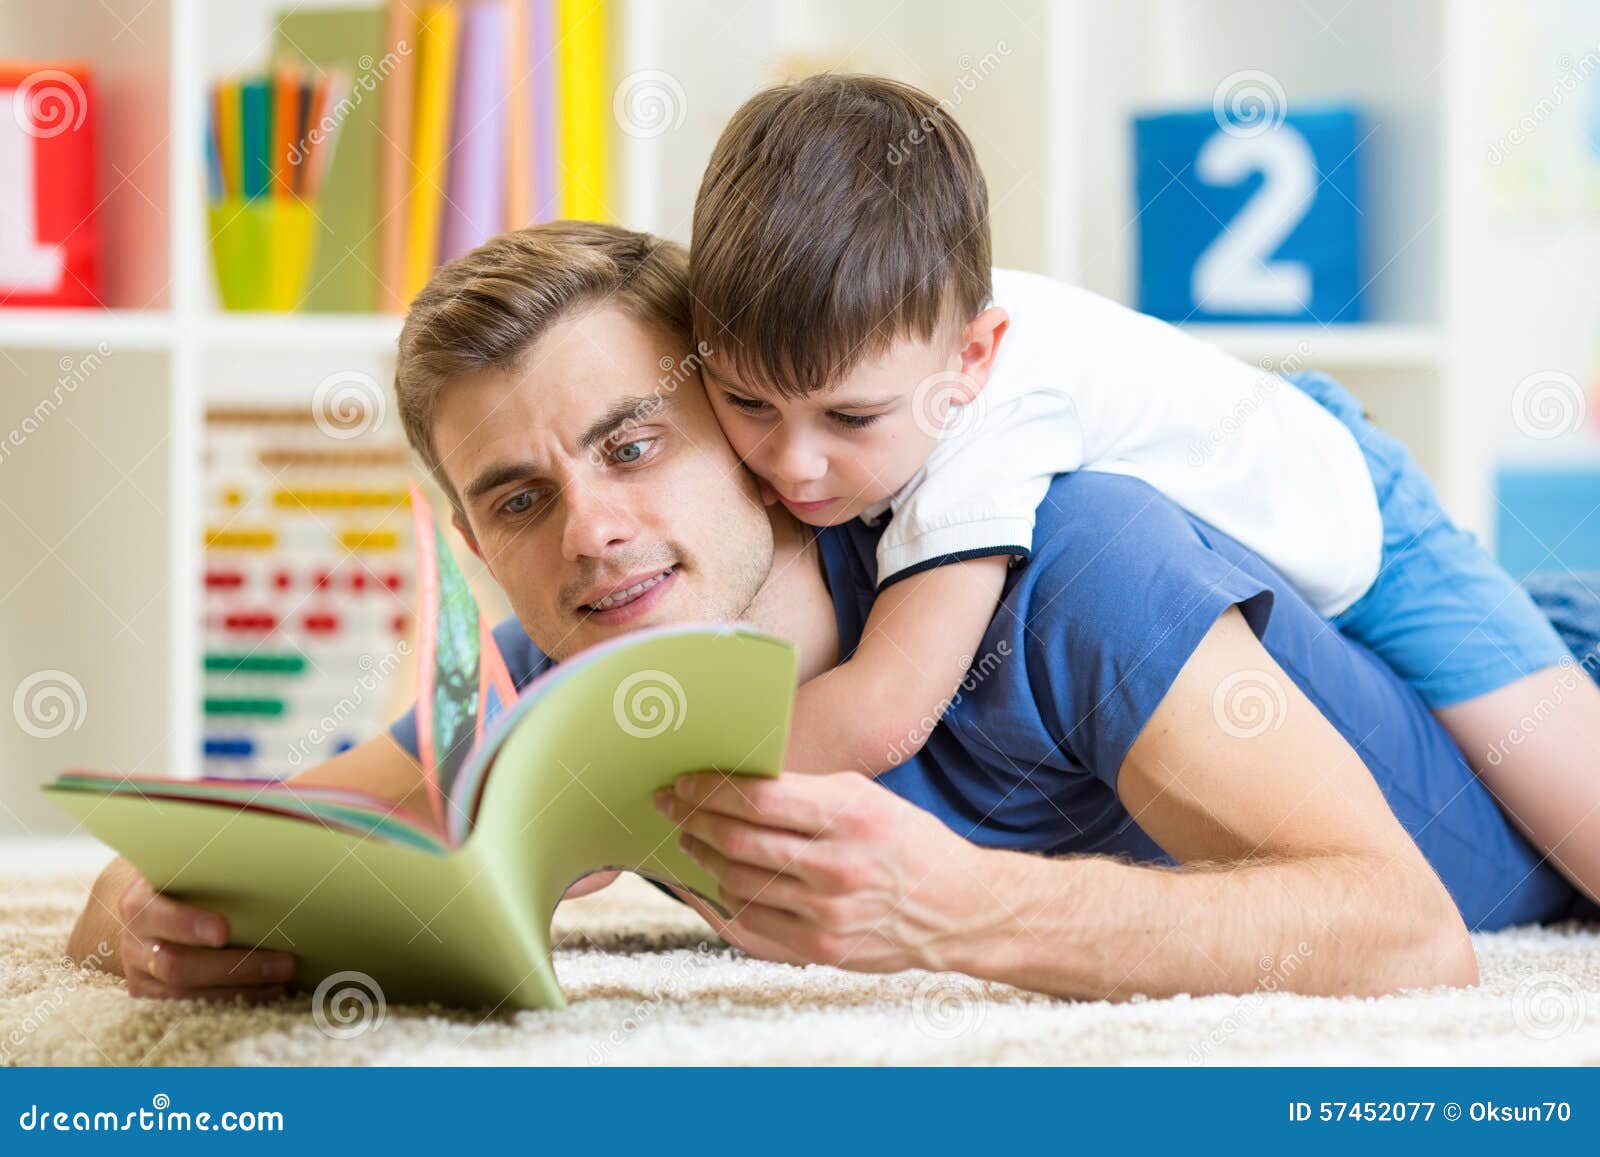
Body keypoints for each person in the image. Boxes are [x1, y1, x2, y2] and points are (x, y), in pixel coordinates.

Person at [68, 223, 1596, 1004]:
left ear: (748, 428)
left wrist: (967, 911)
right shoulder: (577, 685)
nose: (592, 529)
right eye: (519, 500)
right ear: (474, 541)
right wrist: (144, 911)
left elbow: (1406, 936)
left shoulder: (1069, 561)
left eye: (632, 443)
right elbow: (218, 839)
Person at [687, 74, 1600, 907]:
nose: (794, 465)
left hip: (1368, 526)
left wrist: (648, 785)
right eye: (747, 403)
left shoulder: (992, 425)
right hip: (1260, 517)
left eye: (850, 420)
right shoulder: (894, 346)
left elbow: (888, 709)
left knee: (1575, 808)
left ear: (973, 356)